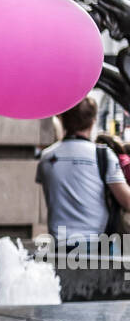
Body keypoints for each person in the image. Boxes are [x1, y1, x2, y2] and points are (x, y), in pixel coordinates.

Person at [36, 96, 130, 240]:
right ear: (93, 121)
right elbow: (127, 201)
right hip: (96, 244)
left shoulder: (46, 157)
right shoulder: (103, 155)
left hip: (58, 241)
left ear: (62, 120)